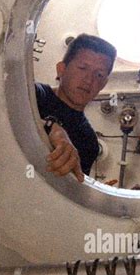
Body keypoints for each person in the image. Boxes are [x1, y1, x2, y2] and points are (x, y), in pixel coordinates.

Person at [35, 33, 116, 182]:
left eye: (98, 75)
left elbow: (70, 189)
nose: (89, 80)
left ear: (103, 85)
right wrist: (51, 127)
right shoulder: (33, 95)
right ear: (61, 70)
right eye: (82, 68)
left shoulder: (88, 142)